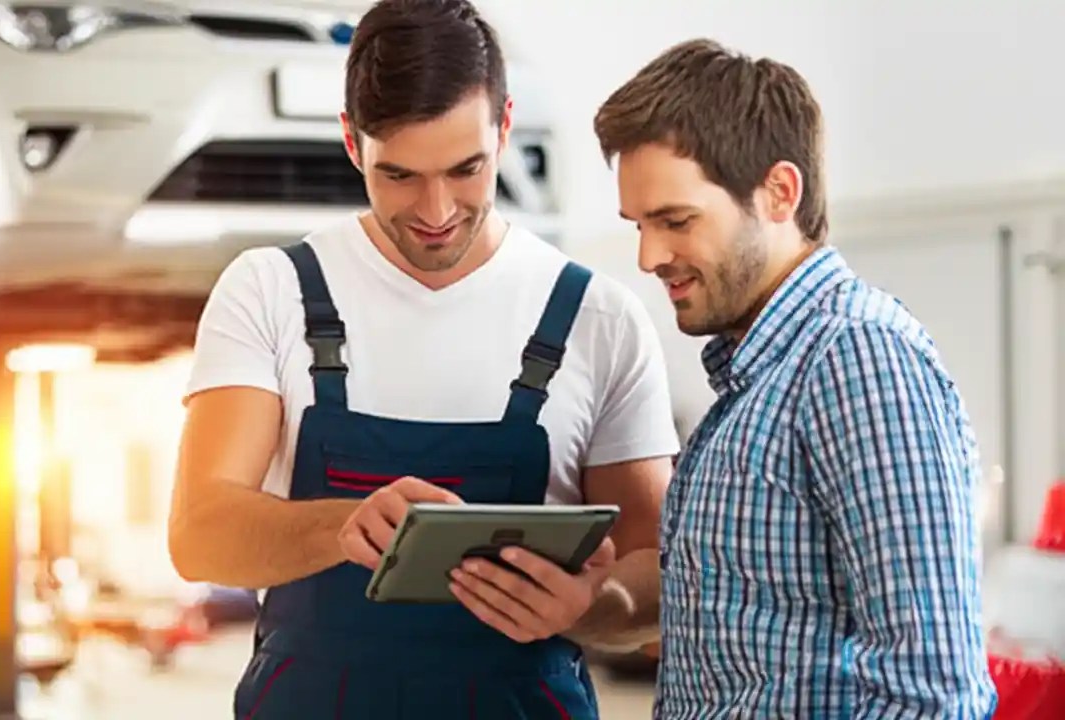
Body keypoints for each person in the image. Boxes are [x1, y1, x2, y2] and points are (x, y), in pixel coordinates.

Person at [168, 1, 678, 717]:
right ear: (352, 142)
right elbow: (199, 536)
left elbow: (658, 578)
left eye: (466, 169)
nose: (436, 210)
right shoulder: (270, 291)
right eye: (399, 175)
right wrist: (341, 528)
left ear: (504, 127)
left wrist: (586, 606)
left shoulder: (599, 317)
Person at [593, 38, 999, 719]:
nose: (649, 255)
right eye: (638, 224)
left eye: (676, 221)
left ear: (779, 192)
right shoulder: (755, 379)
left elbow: (933, 693)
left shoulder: (859, 361)